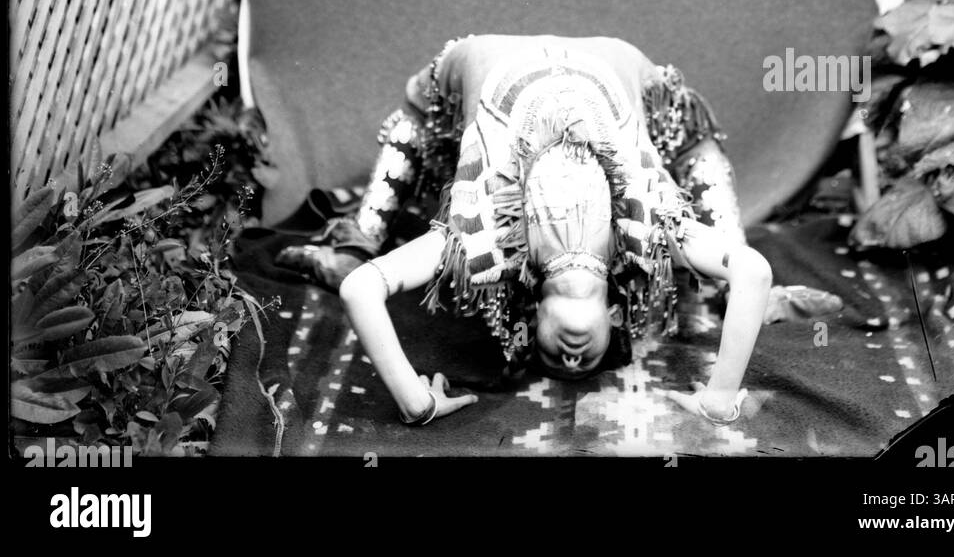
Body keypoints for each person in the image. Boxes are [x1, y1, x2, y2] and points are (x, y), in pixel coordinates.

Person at [279, 33, 787, 427]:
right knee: (697, 147)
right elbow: (754, 271)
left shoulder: (486, 238)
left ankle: (359, 236)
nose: (570, 359)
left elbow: (360, 286)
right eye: (583, 363)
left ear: (530, 315)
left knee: (415, 122)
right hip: (615, 62)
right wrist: (719, 398)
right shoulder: (646, 229)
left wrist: (417, 403)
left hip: (484, 59)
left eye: (553, 360)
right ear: (615, 313)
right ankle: (719, 288)